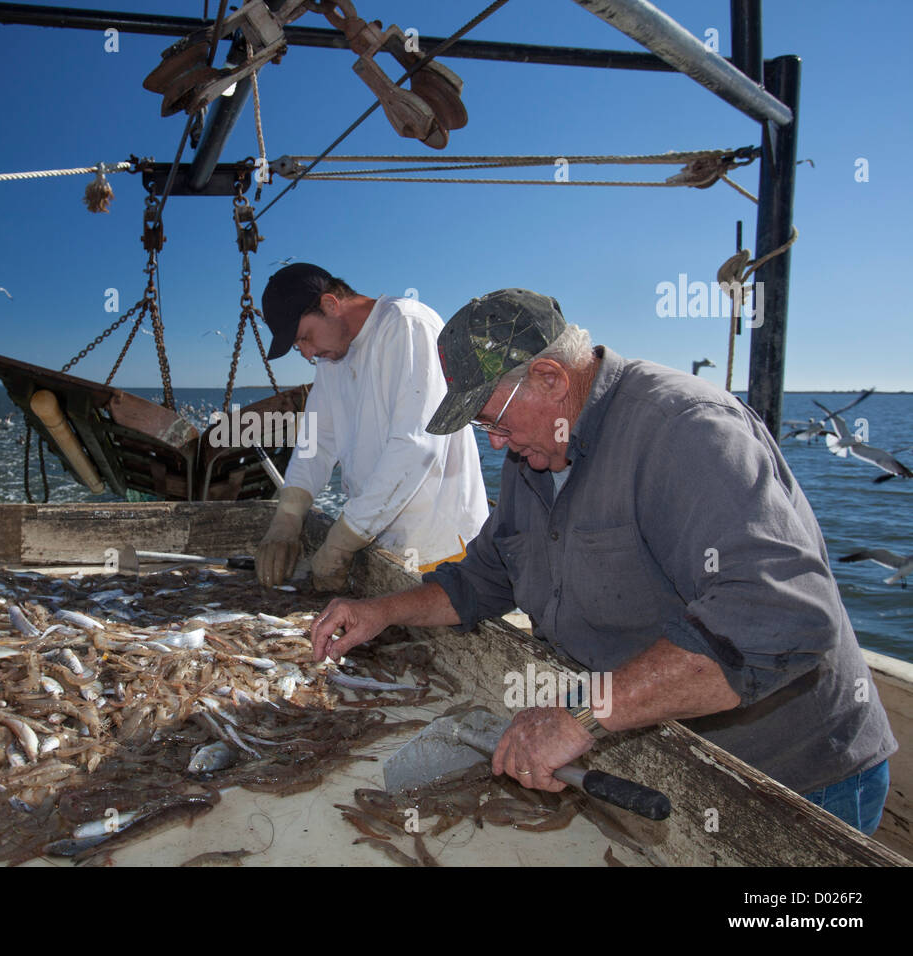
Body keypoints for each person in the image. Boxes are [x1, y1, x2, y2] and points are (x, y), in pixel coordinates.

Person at [310, 288, 897, 835]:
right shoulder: (534, 456)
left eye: (491, 419)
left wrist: (579, 718)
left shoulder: (684, 429)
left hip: (795, 783)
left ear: (549, 377)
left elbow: (778, 616)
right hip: (659, 760)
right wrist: (382, 611)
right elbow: (485, 578)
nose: (492, 441)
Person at [254, 263, 488, 591]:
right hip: (380, 544)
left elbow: (416, 447)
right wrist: (288, 517)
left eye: (305, 337)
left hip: (439, 550)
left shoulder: (406, 326)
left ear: (331, 305)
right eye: (298, 347)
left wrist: (341, 540)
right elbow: (317, 442)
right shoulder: (331, 359)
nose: (307, 352)